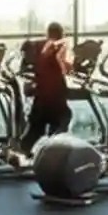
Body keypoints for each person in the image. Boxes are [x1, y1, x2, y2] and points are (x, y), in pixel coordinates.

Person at [18, 22, 72, 155]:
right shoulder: (56, 47)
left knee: (37, 128)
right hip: (53, 95)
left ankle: (22, 150)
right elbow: (63, 67)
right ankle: (53, 152)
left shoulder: (44, 47)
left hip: (43, 95)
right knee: (62, 120)